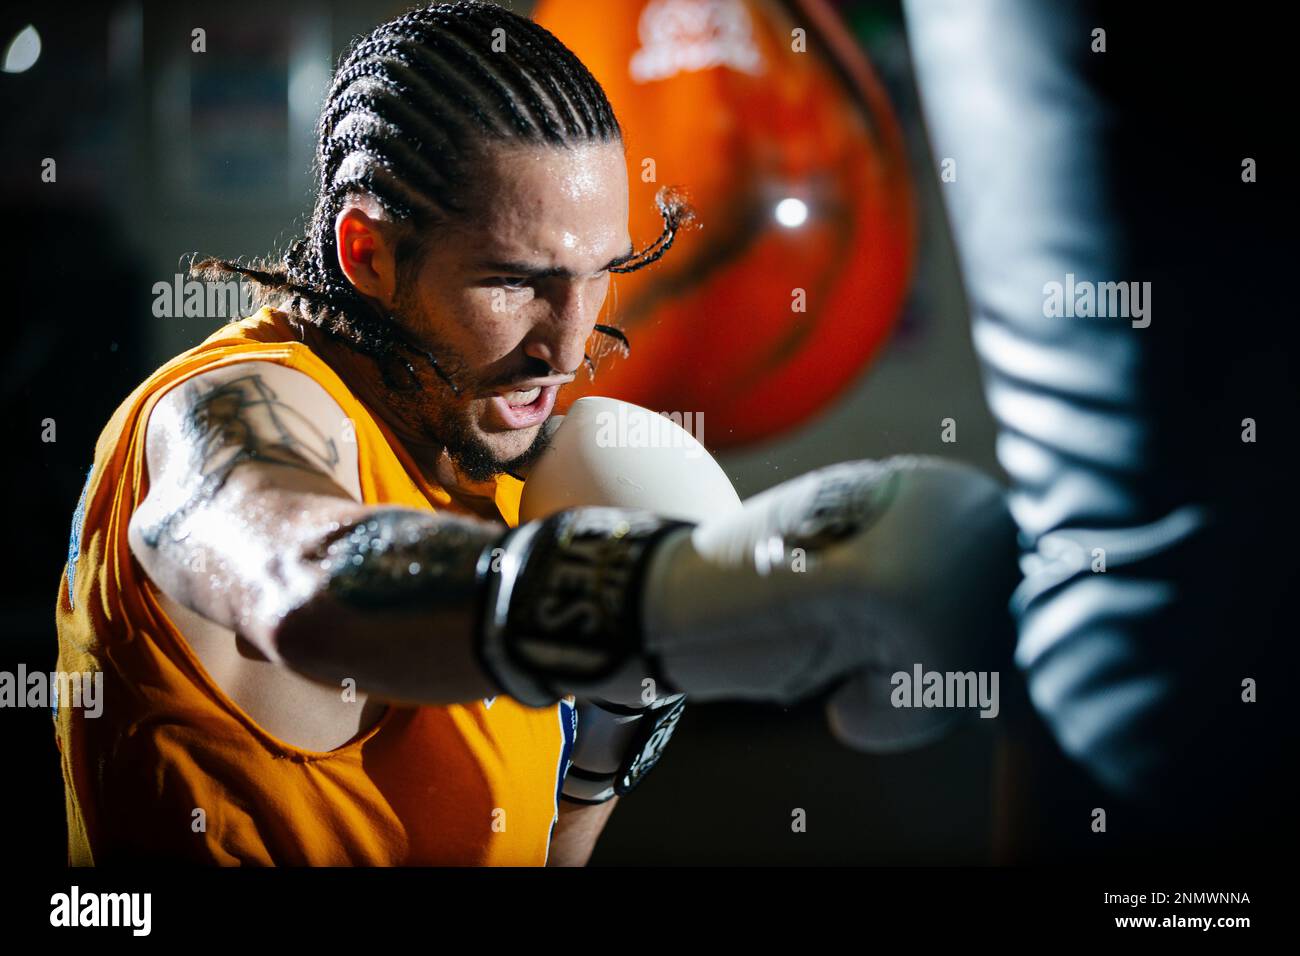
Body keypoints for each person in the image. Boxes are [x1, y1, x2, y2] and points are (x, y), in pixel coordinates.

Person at [55, 0, 1016, 866]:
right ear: (368, 252)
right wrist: (661, 596)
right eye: (514, 281)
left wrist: (601, 738)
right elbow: (295, 575)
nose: (566, 343)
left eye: (600, 273)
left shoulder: (502, 452)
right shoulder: (228, 411)